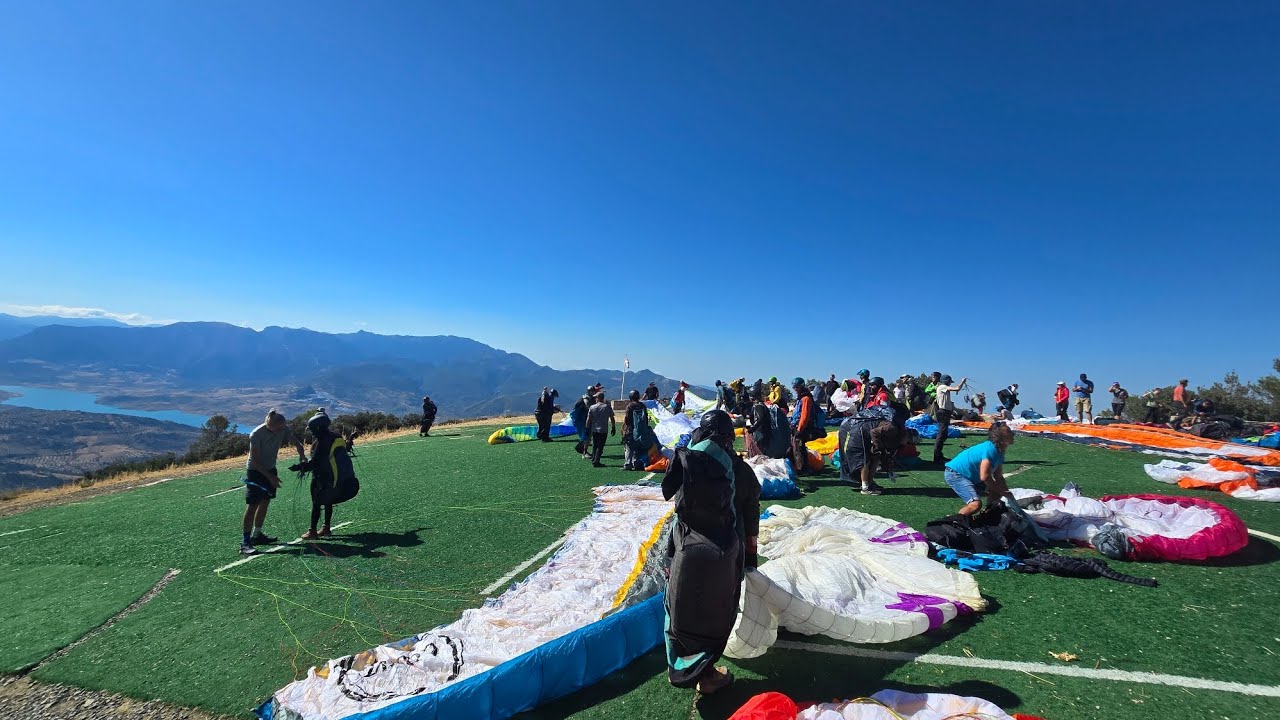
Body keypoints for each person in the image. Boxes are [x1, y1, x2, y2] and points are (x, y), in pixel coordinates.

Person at [661, 410, 760, 695]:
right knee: (715, 613)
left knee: (681, 609)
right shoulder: (737, 470)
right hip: (723, 551)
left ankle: (678, 668)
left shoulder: (690, 461)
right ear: (729, 437)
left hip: (684, 545)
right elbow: (750, 514)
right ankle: (707, 677)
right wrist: (751, 556)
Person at [240, 409, 306, 556]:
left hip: (270, 468)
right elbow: (255, 462)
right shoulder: (256, 435)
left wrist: (302, 456)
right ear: (269, 425)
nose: (280, 432)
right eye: (277, 429)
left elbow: (298, 443)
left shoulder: (283, 429)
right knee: (252, 505)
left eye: (282, 428)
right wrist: (270, 477)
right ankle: (245, 543)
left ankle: (257, 535)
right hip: (256, 472)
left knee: (265, 501)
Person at [299, 412, 358, 540]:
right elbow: (346, 449)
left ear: (318, 428)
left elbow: (314, 463)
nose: (312, 432)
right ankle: (326, 528)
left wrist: (300, 467)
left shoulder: (321, 442)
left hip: (321, 478)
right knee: (328, 501)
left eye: (313, 429)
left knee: (316, 503)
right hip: (334, 479)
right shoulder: (336, 437)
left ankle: (312, 531)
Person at [944, 422, 1017, 516]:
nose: (1012, 434)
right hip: (956, 474)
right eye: (1008, 431)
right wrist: (1002, 491)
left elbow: (998, 476)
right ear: (999, 437)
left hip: (970, 475)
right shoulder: (991, 450)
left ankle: (987, 515)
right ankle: (955, 523)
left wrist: (1007, 494)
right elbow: (985, 477)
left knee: (996, 492)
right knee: (975, 505)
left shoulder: (1000, 450)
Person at [838, 403, 906, 495]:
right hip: (857, 432)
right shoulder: (892, 428)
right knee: (864, 460)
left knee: (875, 459)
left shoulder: (894, 435)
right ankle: (865, 487)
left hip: (862, 432)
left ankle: (868, 483)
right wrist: (878, 447)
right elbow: (874, 432)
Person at [789, 377, 824, 476]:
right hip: (797, 425)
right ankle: (798, 466)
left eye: (797, 387)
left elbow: (805, 415)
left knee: (800, 448)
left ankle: (804, 469)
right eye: (794, 387)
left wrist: (800, 429)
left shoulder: (806, 398)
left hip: (804, 427)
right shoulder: (801, 398)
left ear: (801, 386)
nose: (795, 389)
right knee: (796, 447)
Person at [747, 386, 791, 459]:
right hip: (765, 430)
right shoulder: (762, 404)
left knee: (760, 449)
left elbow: (760, 418)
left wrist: (753, 428)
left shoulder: (758, 405)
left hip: (761, 431)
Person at [931, 375, 967, 463]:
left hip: (945, 413)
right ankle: (937, 457)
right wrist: (962, 382)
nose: (950, 383)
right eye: (949, 381)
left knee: (944, 434)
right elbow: (957, 388)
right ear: (946, 381)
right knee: (941, 434)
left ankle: (939, 455)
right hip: (943, 412)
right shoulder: (942, 387)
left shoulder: (944, 390)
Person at [622, 390, 657, 470]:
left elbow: (627, 419)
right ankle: (637, 464)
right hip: (641, 430)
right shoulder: (642, 405)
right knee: (638, 448)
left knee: (629, 447)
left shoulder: (630, 406)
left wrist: (625, 429)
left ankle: (628, 464)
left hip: (631, 430)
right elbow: (646, 419)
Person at [586, 391, 616, 467]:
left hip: (594, 429)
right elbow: (612, 418)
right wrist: (613, 427)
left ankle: (593, 459)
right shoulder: (607, 407)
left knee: (595, 445)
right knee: (600, 446)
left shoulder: (592, 407)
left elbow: (588, 419)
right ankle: (596, 461)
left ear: (598, 398)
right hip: (603, 429)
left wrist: (587, 428)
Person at [571, 386, 594, 457]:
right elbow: (589, 407)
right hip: (581, 420)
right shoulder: (586, 398)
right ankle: (583, 451)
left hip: (585, 419)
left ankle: (584, 450)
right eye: (592, 391)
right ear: (589, 391)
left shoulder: (591, 397)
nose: (593, 392)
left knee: (588, 435)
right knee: (586, 436)